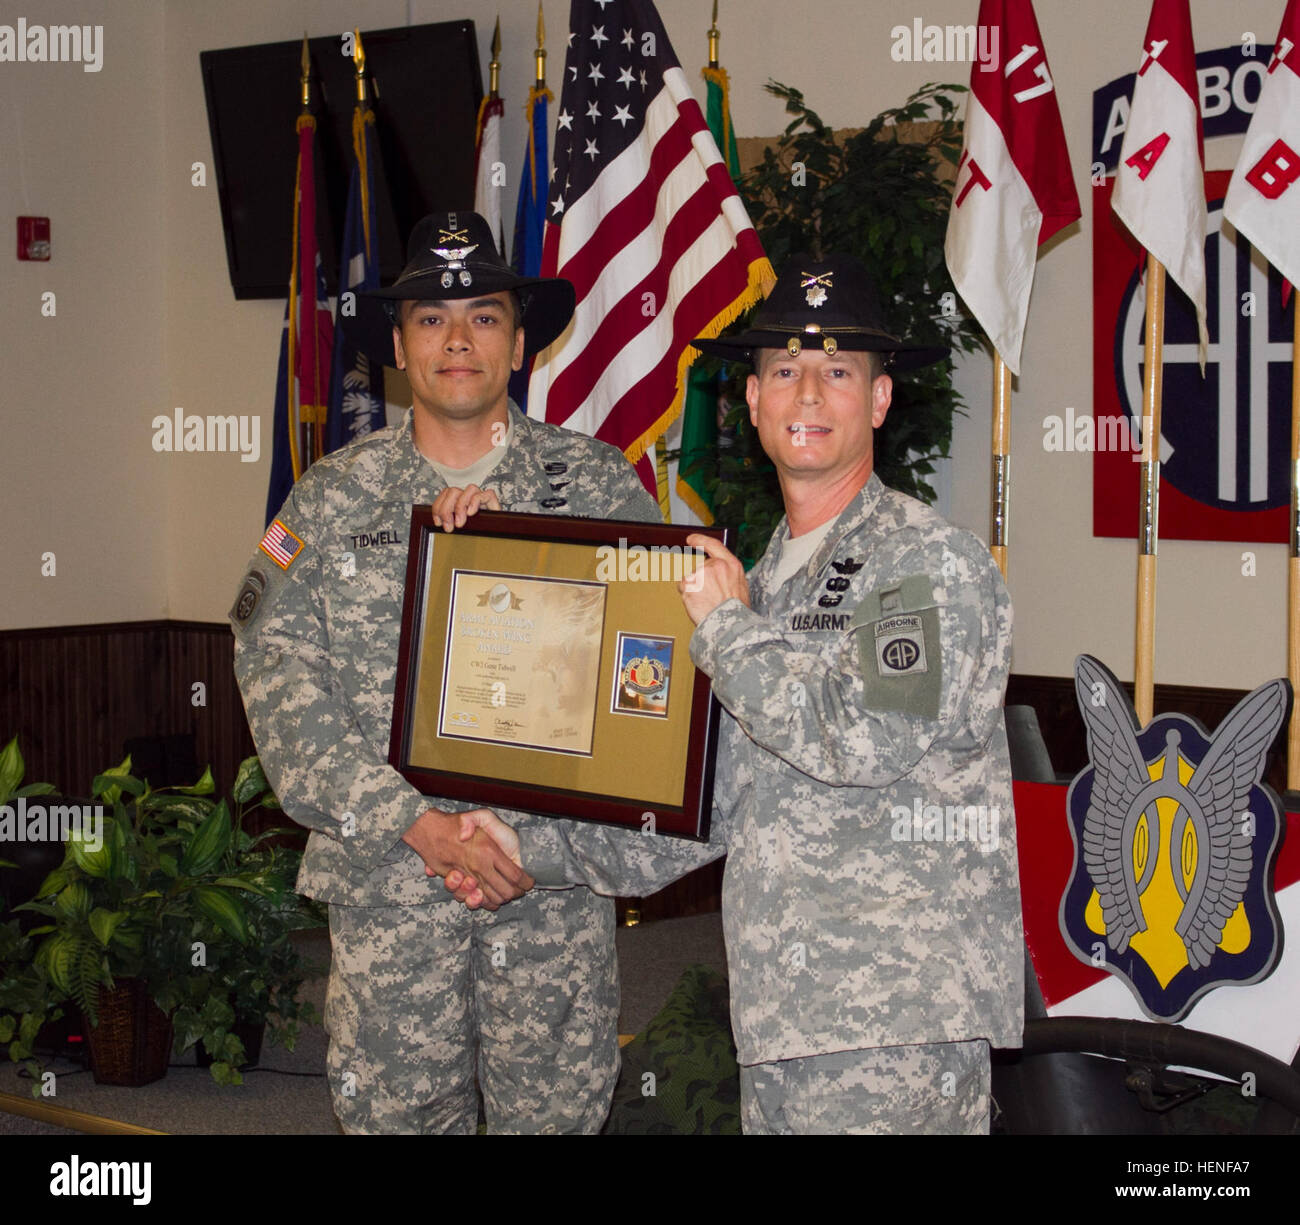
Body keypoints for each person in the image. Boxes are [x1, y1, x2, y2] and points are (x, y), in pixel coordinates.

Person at [449, 253, 1024, 1134]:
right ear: (751, 401)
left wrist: (725, 630)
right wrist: (525, 846)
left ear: (877, 401)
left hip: (894, 1028)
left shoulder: (923, 562)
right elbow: (703, 800)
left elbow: (862, 740)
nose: (807, 395)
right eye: (784, 371)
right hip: (782, 1018)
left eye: (838, 372)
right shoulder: (767, 582)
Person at [229, 210, 701, 1134]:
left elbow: (656, 673)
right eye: (432, 318)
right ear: (398, 346)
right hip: (388, 888)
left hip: (548, 895)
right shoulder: (328, 498)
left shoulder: (596, 488)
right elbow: (275, 668)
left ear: (519, 342)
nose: (457, 339)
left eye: (484, 316)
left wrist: (554, 839)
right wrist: (411, 821)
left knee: (554, 1120)